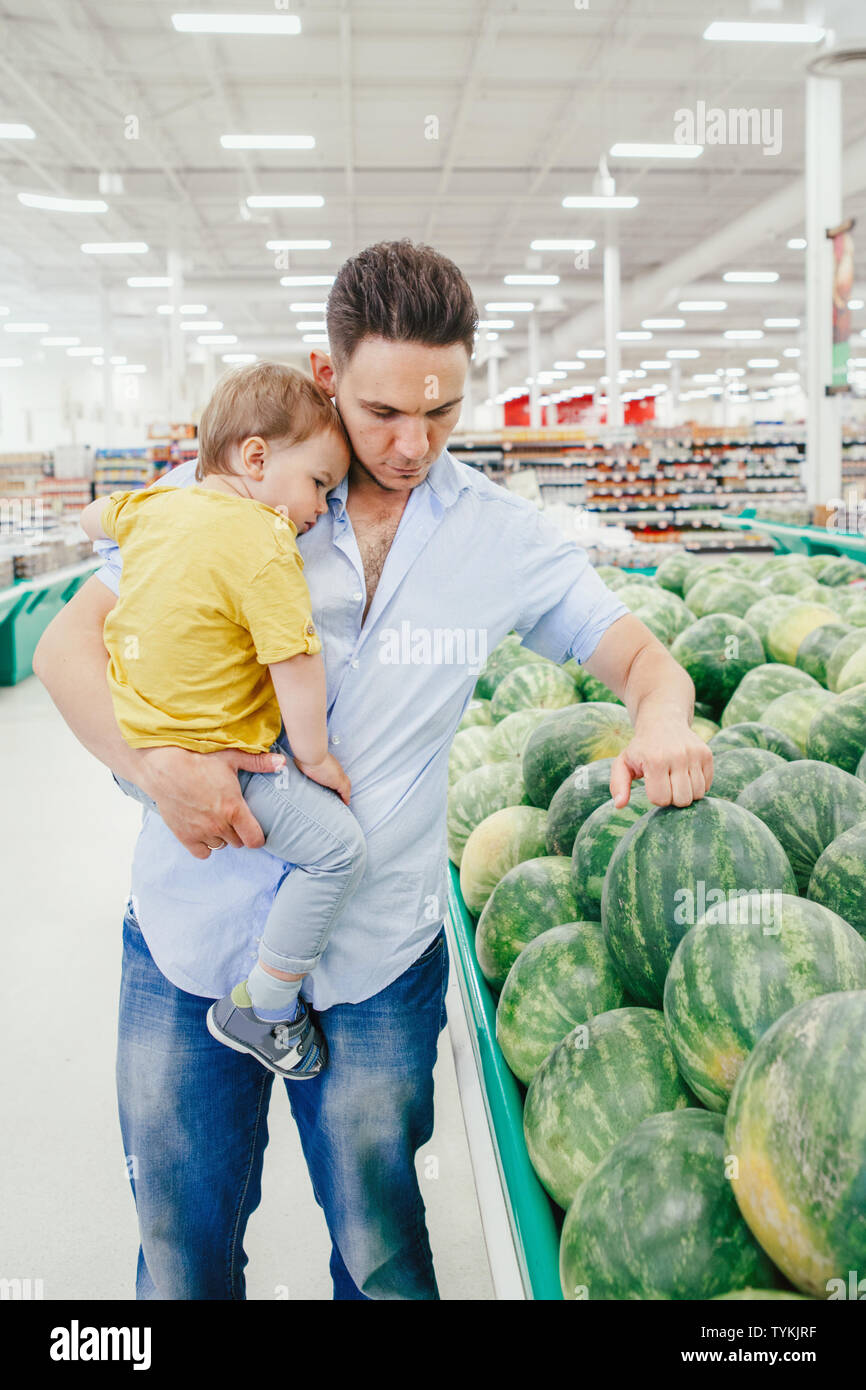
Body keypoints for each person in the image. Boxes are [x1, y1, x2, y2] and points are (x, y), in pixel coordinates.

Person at [34, 238, 713, 1301]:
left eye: (440, 413)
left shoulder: (497, 534)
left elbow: (638, 657)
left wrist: (662, 717)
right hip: (187, 940)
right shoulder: (228, 492)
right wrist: (154, 767)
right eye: (382, 411)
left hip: (372, 971)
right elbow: (63, 649)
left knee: (384, 1254)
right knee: (179, 1254)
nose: (411, 443)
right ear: (324, 374)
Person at [77, 363, 364, 1078]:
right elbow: (294, 659)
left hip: (136, 758)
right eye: (320, 484)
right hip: (219, 760)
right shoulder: (264, 542)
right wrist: (317, 756)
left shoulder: (151, 508)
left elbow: (93, 518)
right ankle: (265, 1003)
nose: (323, 508)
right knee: (338, 852)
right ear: (256, 457)